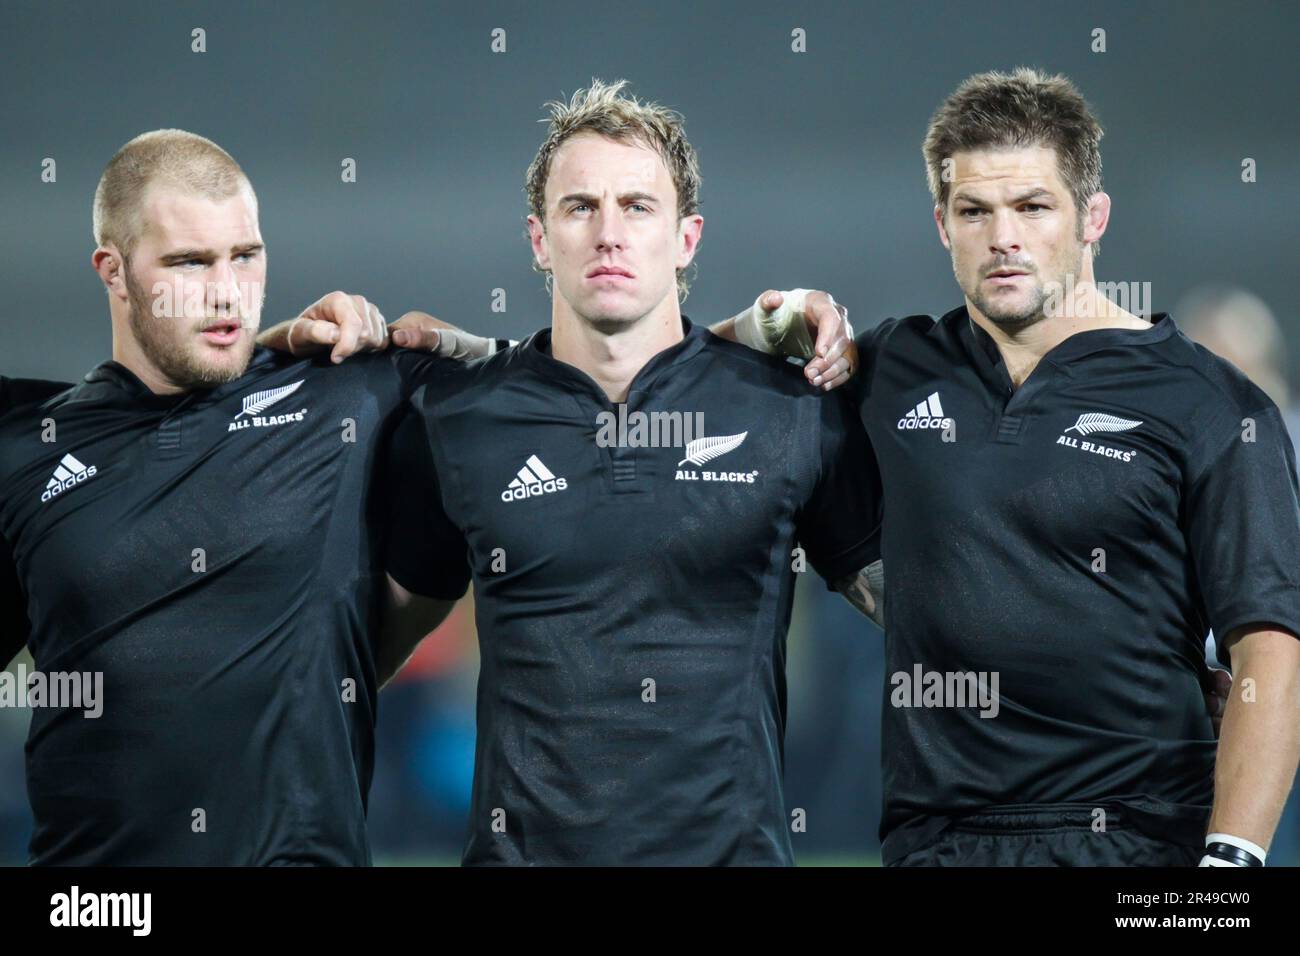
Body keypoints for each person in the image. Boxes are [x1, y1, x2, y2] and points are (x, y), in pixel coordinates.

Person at [724, 68, 1300, 867]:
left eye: (1033, 207)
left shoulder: (1211, 403)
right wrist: (772, 319)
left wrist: (1230, 865)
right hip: (936, 845)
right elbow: (679, 377)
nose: (1004, 237)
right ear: (941, 223)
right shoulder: (892, 367)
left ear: (1093, 217)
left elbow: (1271, 647)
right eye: (975, 211)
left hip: (1137, 844)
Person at [375, 79, 884, 865]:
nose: (608, 233)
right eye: (580, 207)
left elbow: (927, 613)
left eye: (638, 207)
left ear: (686, 239)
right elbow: (362, 651)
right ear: (540, 240)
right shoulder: (461, 421)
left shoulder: (787, 409)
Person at [0, 128, 466, 864]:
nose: (227, 292)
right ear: (114, 272)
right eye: (188, 262)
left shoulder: (353, 393)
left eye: (244, 257)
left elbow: (544, 389)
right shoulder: (25, 445)